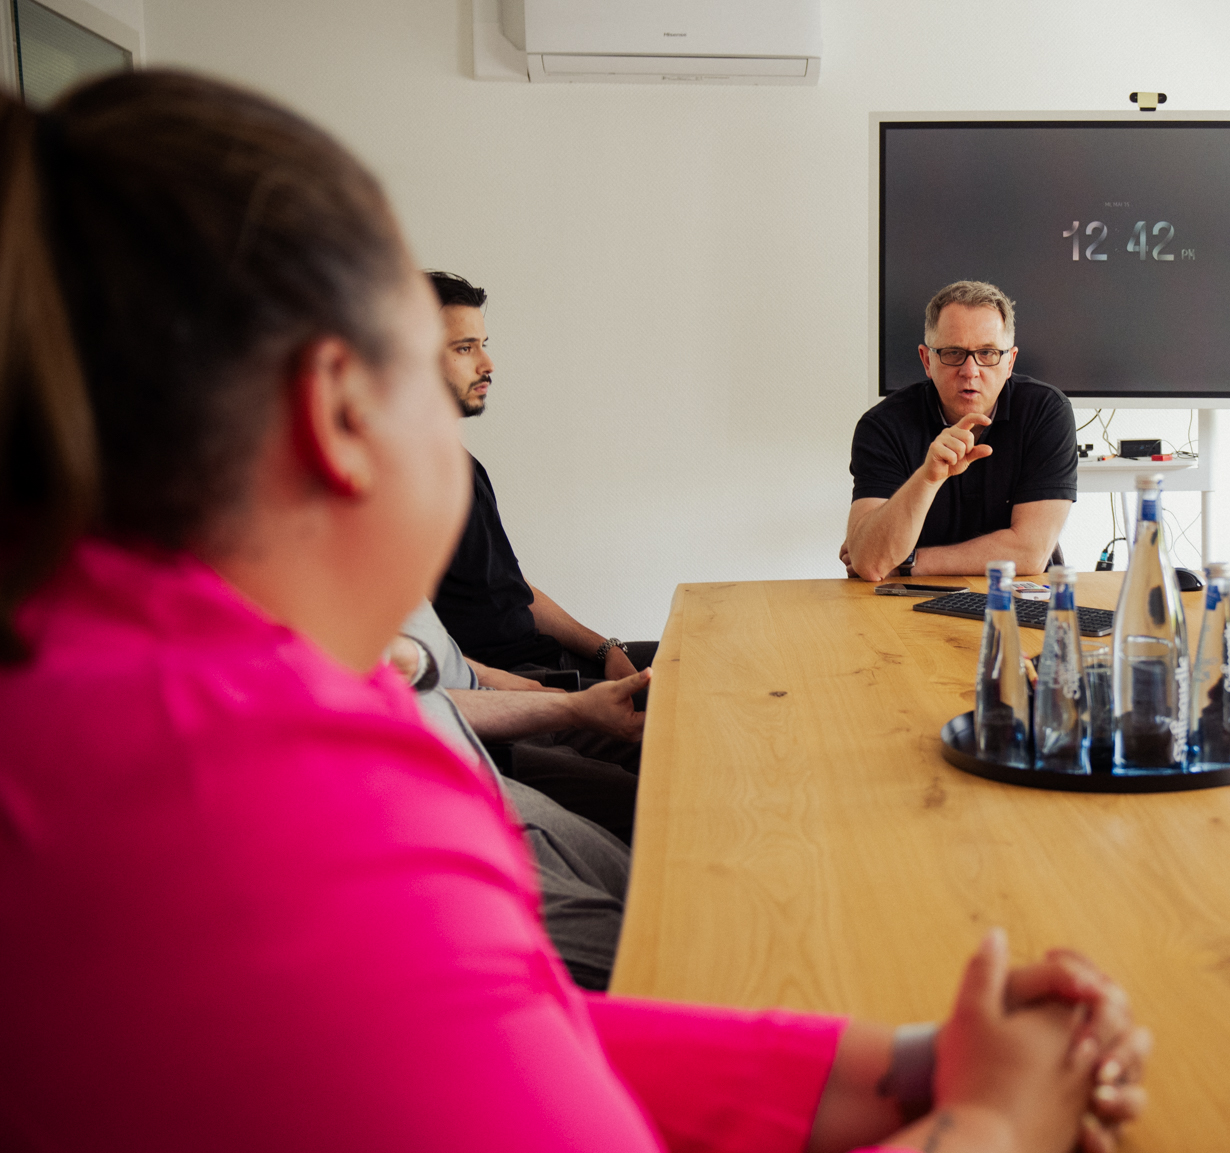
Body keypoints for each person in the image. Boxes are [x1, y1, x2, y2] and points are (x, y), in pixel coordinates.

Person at [0, 71, 1147, 1152]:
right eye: (430, 370)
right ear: (338, 413)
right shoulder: (275, 783)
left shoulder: (125, 683)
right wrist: (994, 1122)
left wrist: (905, 1068)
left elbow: (483, 1032)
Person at [389, 604, 632, 991]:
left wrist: (573, 700)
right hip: (434, 807)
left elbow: (433, 689)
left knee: (639, 887)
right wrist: (570, 707)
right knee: (628, 948)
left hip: (476, 771)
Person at [428, 270, 655, 682]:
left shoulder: (461, 464)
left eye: (483, 345)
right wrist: (566, 704)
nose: (487, 364)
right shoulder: (403, 484)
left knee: (701, 655)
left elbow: (513, 588)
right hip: (512, 683)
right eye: (465, 348)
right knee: (692, 697)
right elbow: (425, 656)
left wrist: (607, 649)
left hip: (544, 658)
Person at [842, 280, 1077, 581]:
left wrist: (908, 561)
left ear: (1010, 362)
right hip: (908, 600)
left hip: (1015, 596)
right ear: (927, 360)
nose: (970, 371)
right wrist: (927, 478)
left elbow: (1030, 553)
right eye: (953, 353)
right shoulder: (883, 426)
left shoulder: (1046, 411)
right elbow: (871, 562)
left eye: (988, 353)